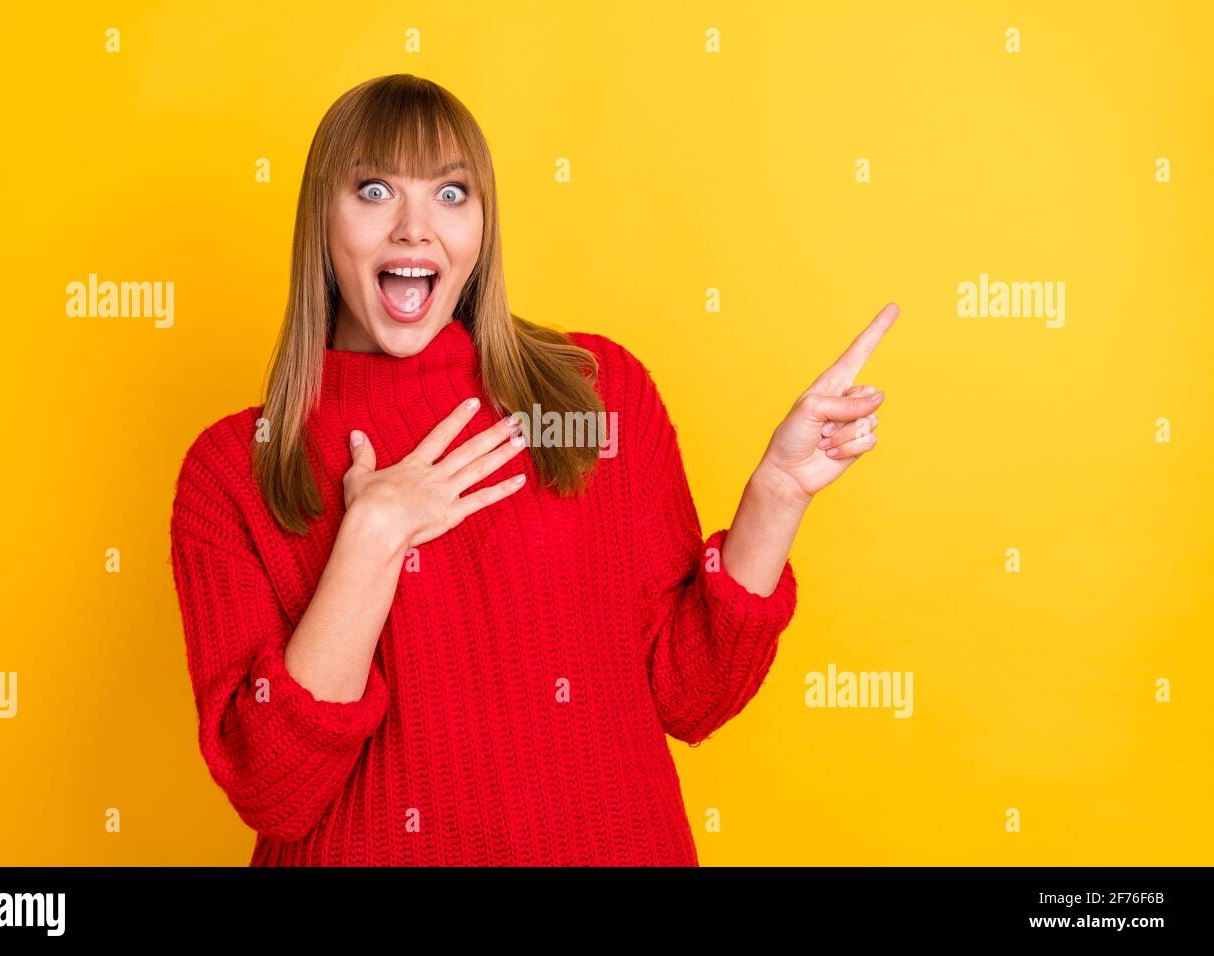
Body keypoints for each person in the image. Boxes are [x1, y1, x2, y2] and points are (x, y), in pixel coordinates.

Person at [169, 73, 897, 866]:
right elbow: (273, 791)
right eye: (375, 190)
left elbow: (691, 698)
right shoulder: (236, 469)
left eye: (451, 195)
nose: (416, 230)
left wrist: (777, 496)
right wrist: (370, 540)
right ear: (321, 220)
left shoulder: (589, 393)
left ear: (482, 227)